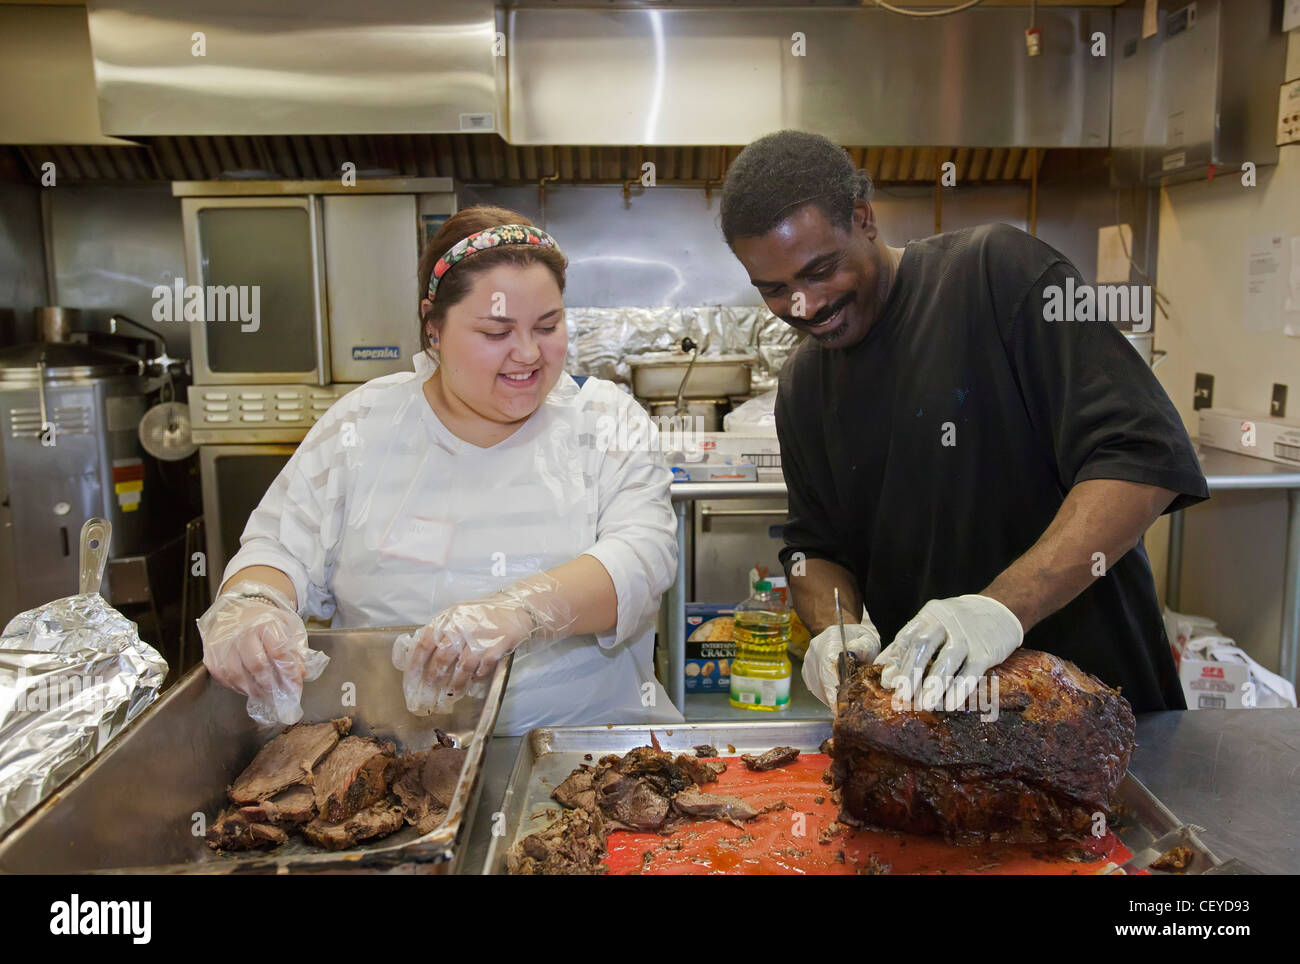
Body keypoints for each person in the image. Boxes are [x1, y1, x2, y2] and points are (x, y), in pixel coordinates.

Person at [720, 130, 1208, 713]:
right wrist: (838, 633)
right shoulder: (803, 387)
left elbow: (1140, 457)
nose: (806, 305)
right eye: (774, 289)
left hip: (1101, 715)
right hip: (939, 745)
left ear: (863, 217)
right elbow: (813, 550)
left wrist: (1001, 608)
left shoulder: (996, 276)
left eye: (820, 270)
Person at [197, 206, 683, 735]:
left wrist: (520, 611)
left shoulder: (604, 420)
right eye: (496, 332)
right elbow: (278, 549)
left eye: (547, 325)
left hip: (582, 751)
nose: (527, 353)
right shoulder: (363, 425)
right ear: (434, 328)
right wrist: (252, 605)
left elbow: (644, 555)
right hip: (395, 760)